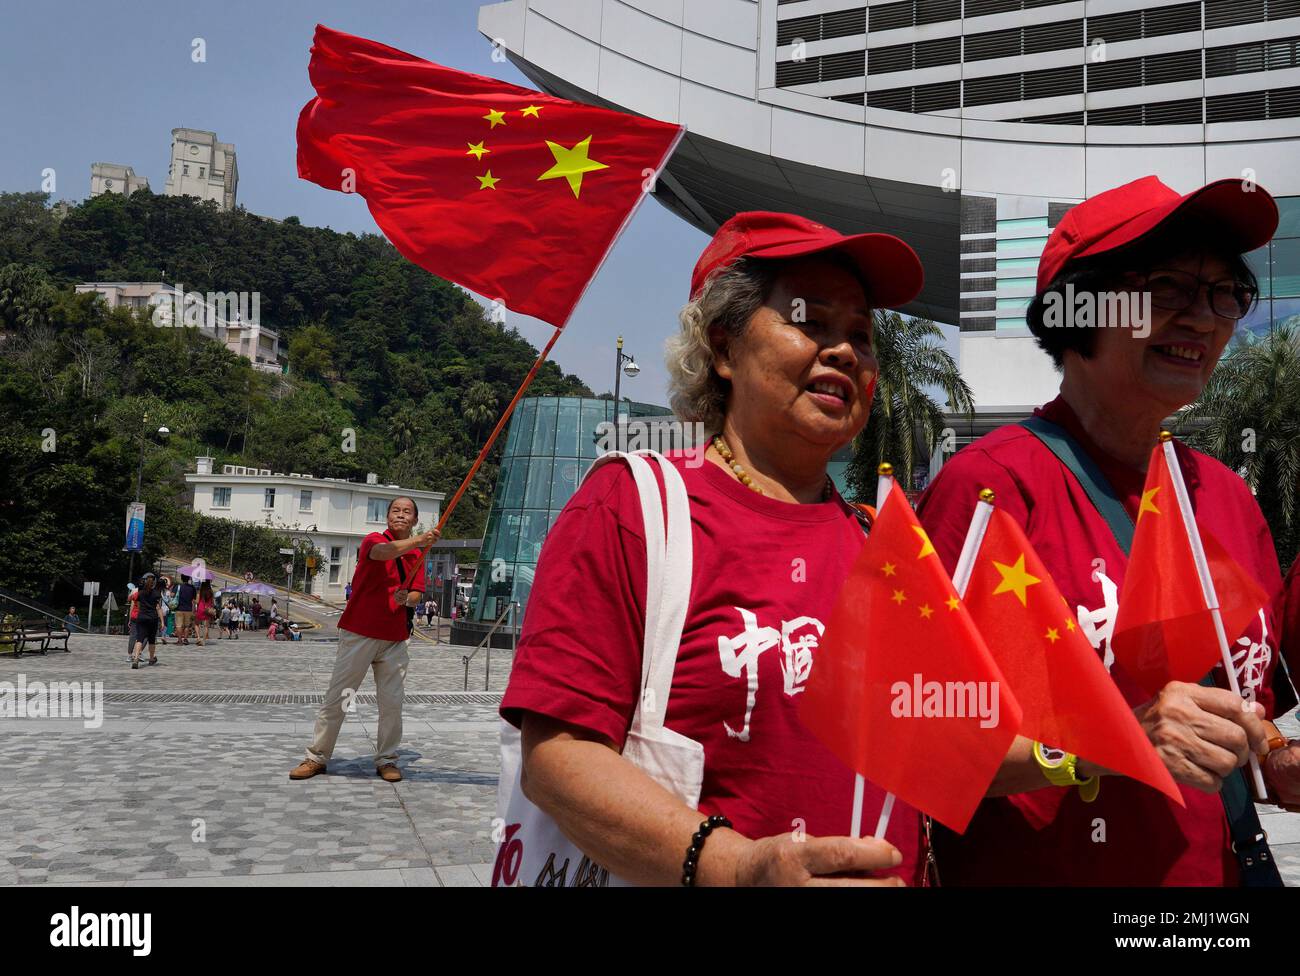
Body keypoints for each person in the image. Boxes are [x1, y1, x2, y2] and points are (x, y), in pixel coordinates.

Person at [500, 211, 927, 886]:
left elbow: (946, 741)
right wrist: (737, 866)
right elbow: (558, 758)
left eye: (861, 335)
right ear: (723, 349)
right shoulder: (632, 507)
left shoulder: (885, 545)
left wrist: (1085, 750)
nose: (845, 351)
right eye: (810, 321)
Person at [917, 175, 1299, 886]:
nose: (1205, 319)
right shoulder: (989, 489)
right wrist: (1115, 740)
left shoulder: (1224, 498)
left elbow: (1250, 698)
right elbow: (922, 744)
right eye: (1168, 288)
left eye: (1225, 294)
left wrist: (1271, 750)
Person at [290, 497, 438, 783]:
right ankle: (317, 757)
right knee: (339, 698)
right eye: (396, 510)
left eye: (407, 512)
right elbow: (382, 554)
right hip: (359, 634)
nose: (401, 515)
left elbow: (418, 593)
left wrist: (407, 598)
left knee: (392, 703)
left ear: (415, 520)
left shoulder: (418, 556)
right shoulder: (374, 540)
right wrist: (420, 540)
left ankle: (387, 759)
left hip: (394, 639)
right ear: (387, 518)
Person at [128, 572, 163, 669]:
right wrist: (162, 621)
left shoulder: (140, 593)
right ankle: (151, 659)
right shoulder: (156, 594)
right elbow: (158, 607)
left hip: (142, 617)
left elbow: (136, 603)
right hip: (152, 618)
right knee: (151, 640)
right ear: (154, 583)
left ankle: (135, 658)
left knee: (140, 638)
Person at [174, 574, 196, 645]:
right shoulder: (192, 587)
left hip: (179, 608)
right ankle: (185, 639)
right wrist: (193, 610)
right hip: (188, 609)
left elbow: (172, 595)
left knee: (179, 625)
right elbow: (193, 599)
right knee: (187, 625)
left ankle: (179, 640)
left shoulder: (178, 586)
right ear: (189, 578)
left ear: (181, 578)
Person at [194, 581, 215, 646]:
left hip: (200, 608)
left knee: (196, 624)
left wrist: (193, 600)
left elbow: (197, 601)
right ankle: (203, 641)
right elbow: (213, 602)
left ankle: (198, 637)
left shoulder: (200, 591)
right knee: (206, 626)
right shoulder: (211, 592)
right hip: (207, 610)